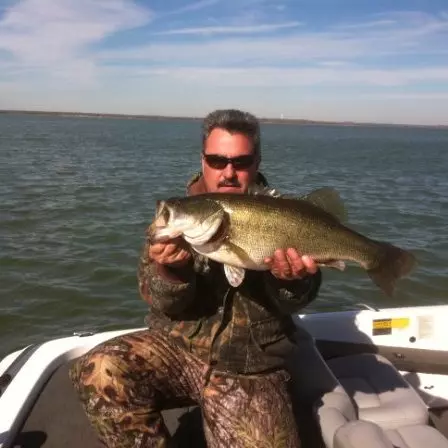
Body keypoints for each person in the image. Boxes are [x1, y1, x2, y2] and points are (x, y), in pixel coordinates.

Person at [70, 109, 322, 447]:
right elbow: (157, 297)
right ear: (203, 159)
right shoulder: (178, 216)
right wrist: (171, 269)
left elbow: (298, 300)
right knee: (101, 368)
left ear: (257, 161)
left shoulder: (285, 215)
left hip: (249, 366)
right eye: (217, 161)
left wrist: (292, 280)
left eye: (241, 161)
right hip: (178, 349)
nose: (228, 173)